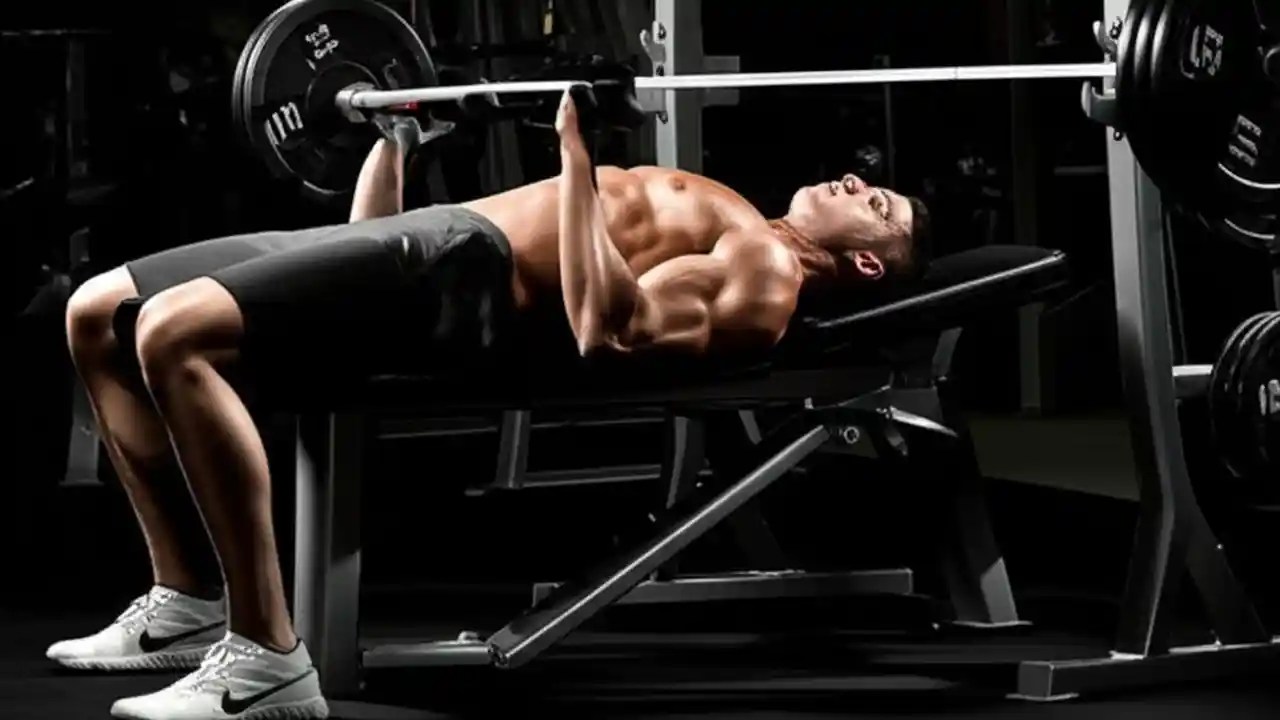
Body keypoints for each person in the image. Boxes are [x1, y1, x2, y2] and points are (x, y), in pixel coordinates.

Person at [51, 90, 932, 720]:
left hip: (469, 267)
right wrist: (398, 143)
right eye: (865, 182)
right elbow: (372, 253)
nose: (857, 183)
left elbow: (607, 328)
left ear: (863, 266)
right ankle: (185, 597)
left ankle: (268, 658)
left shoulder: (766, 275)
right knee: (96, 311)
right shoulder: (743, 219)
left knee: (170, 332)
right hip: (439, 241)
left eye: (876, 203)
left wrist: (577, 156)